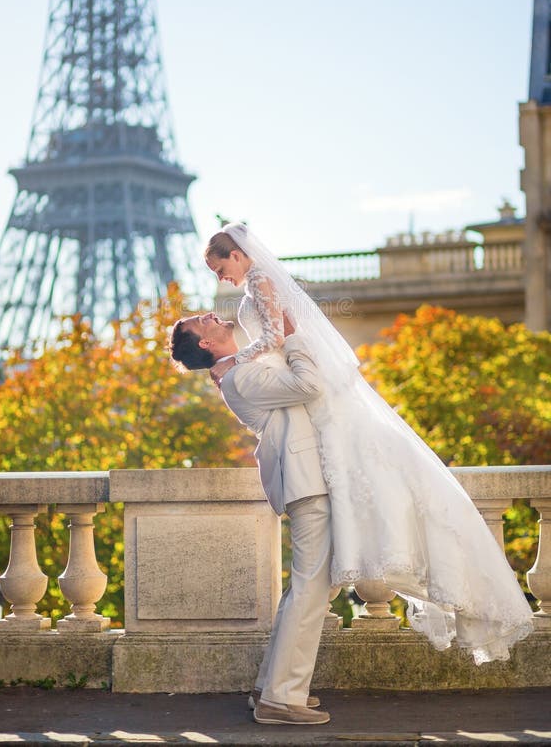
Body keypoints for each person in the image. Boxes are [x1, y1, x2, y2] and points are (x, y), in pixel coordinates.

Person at [199, 222, 534, 666]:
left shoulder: (258, 281)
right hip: (304, 398)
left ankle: (281, 688)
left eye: (221, 267)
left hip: (305, 390)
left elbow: (275, 339)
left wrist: (232, 360)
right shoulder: (254, 292)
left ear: (238, 254)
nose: (221, 278)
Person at [170, 309, 333, 726]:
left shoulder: (238, 370)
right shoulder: (240, 376)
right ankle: (281, 698)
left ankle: (271, 687)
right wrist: (293, 337)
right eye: (200, 321)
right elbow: (309, 385)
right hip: (306, 482)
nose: (210, 314)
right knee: (310, 591)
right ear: (205, 343)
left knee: (306, 589)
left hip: (303, 480)